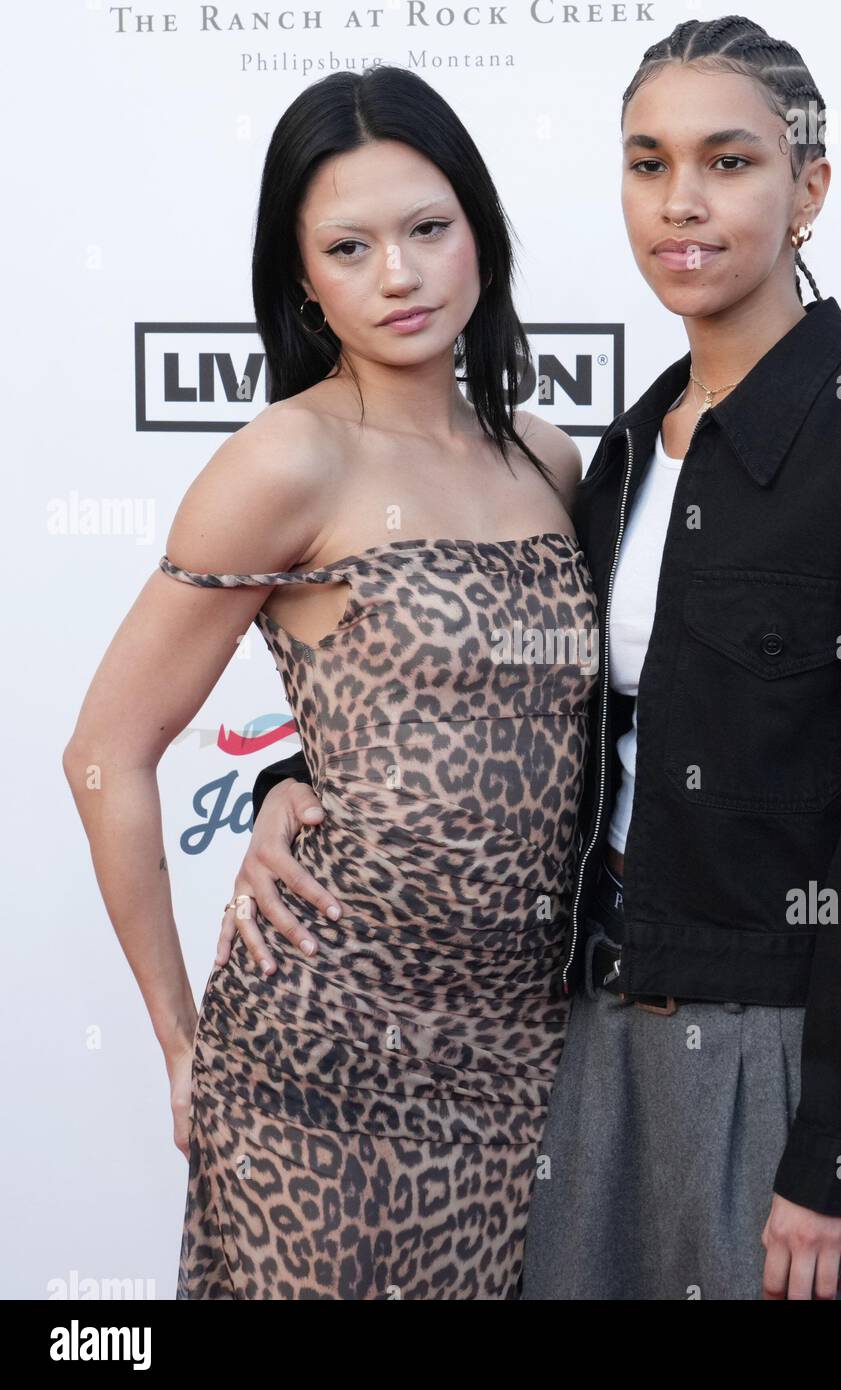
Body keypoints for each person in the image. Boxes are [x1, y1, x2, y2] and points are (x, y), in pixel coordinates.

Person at [239, 16, 841, 1301]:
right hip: (595, 1039)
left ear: (809, 188)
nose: (679, 202)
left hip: (788, 1059)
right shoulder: (626, 449)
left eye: (727, 161)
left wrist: (839, 1150)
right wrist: (296, 783)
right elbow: (522, 714)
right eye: (646, 164)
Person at [62, 67, 597, 1300]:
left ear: (480, 233)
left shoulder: (548, 460)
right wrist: (179, 1042)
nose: (398, 276)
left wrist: (286, 780)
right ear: (304, 278)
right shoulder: (285, 459)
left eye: (427, 228)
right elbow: (104, 750)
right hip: (321, 1058)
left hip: (522, 1055)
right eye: (349, 248)